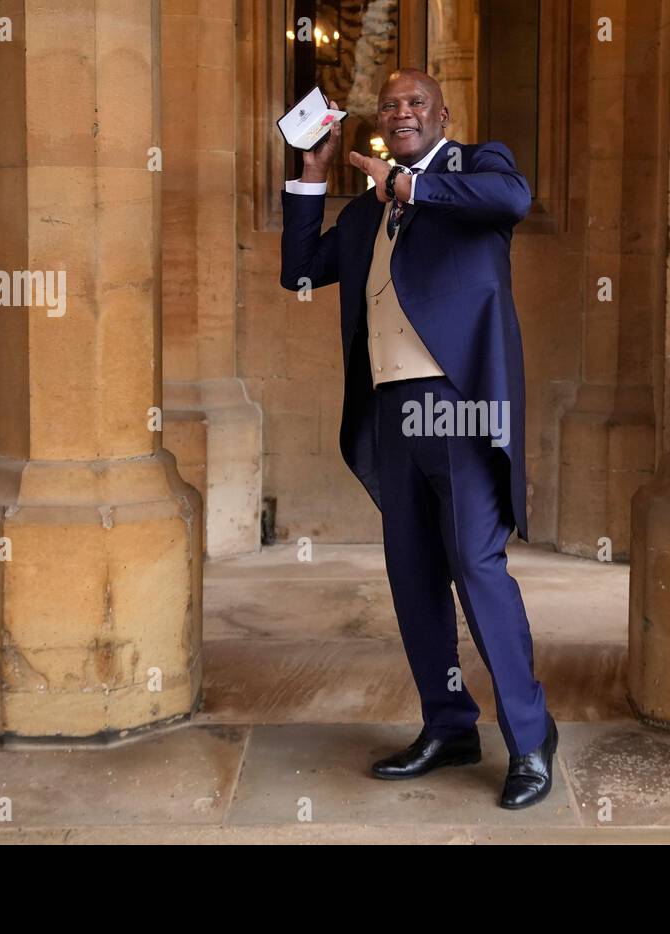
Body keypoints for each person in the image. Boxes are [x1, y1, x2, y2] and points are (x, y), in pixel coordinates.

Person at [279, 68, 556, 809]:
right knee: (412, 575)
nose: (402, 112)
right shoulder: (368, 214)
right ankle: (449, 725)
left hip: (460, 406)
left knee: (476, 564)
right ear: (377, 122)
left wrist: (409, 188)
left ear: (441, 115)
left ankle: (530, 739)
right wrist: (311, 175)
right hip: (392, 411)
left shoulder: (476, 168)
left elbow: (513, 200)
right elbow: (299, 271)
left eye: (416, 103)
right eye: (391, 105)